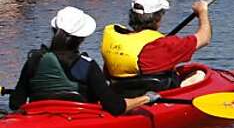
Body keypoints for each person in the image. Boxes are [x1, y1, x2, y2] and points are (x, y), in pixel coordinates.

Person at [8, 6, 159, 115]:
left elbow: (15, 103)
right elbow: (116, 107)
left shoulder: (33, 60)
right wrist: (146, 98)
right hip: (78, 118)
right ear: (81, 38)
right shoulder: (86, 66)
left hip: (38, 118)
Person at [100, 0, 210, 94]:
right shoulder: (165, 45)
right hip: (158, 97)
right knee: (199, 74)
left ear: (132, 15)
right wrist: (202, 12)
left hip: (121, 93)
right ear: (157, 18)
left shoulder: (116, 39)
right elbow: (204, 38)